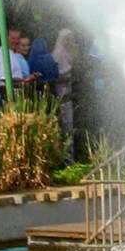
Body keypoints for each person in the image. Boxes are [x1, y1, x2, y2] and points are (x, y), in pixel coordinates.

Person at [51, 29, 80, 161]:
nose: (68, 42)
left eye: (70, 39)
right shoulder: (57, 53)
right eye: (66, 39)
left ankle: (70, 158)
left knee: (69, 125)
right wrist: (69, 70)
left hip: (68, 91)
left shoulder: (69, 53)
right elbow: (57, 73)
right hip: (61, 92)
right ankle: (66, 159)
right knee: (65, 124)